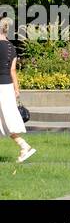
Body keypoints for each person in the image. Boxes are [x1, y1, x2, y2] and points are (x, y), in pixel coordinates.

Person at [0, 18, 35, 163]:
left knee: (5, 120)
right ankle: (23, 146)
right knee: (4, 120)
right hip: (7, 86)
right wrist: (16, 88)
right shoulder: (11, 47)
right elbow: (12, 70)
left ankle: (24, 146)